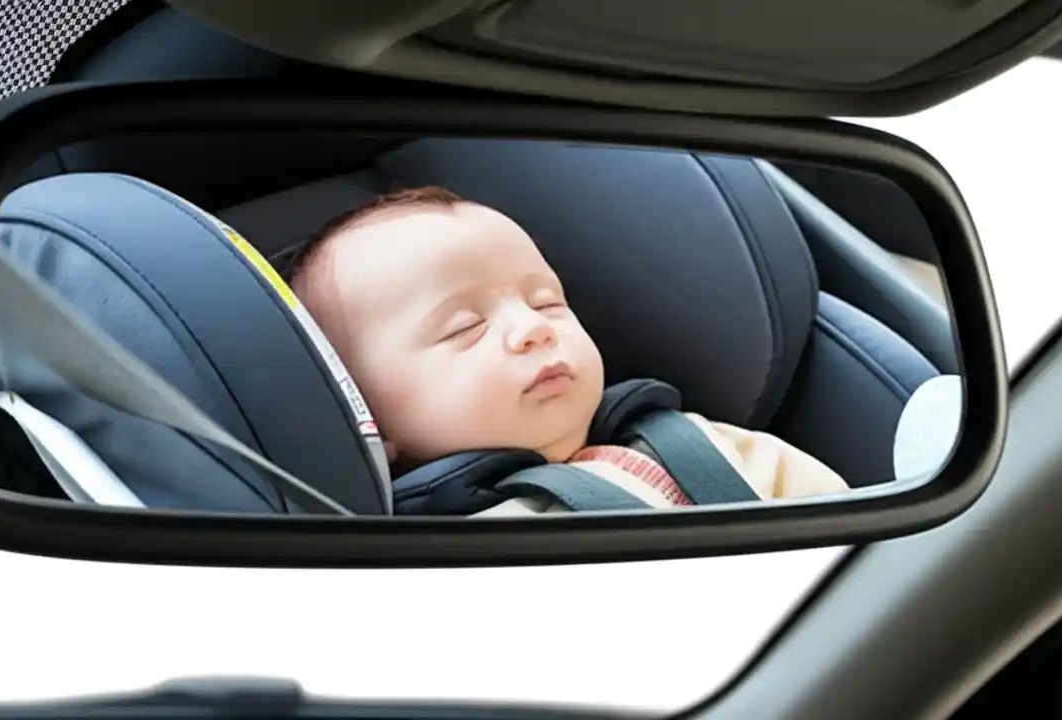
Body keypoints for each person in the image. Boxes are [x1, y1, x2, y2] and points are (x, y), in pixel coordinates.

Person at [285, 186, 848, 514]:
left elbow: (838, 517)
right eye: (464, 327)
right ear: (370, 418)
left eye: (548, 301)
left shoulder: (705, 443)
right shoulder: (438, 559)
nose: (533, 328)